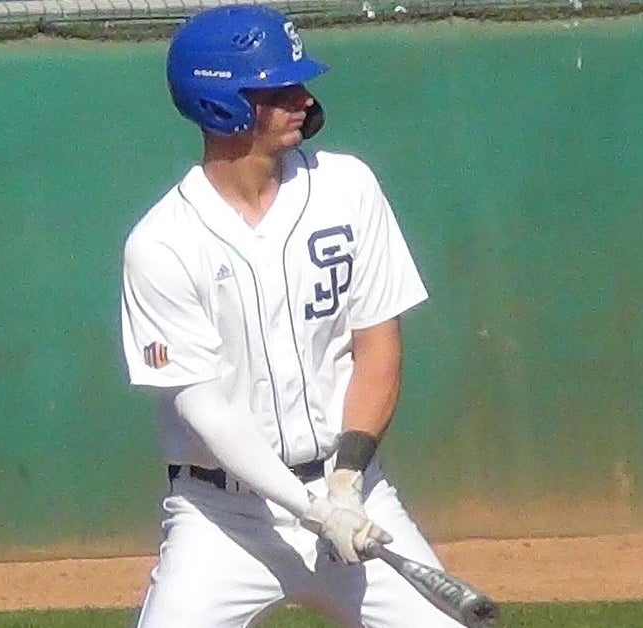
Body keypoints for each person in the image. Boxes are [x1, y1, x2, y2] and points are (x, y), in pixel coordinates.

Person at [119, 5, 472, 626]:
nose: (303, 100)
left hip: (353, 492)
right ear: (218, 102)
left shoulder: (349, 187)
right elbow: (206, 410)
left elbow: (378, 346)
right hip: (223, 519)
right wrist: (312, 511)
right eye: (278, 90)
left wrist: (345, 485)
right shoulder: (163, 242)